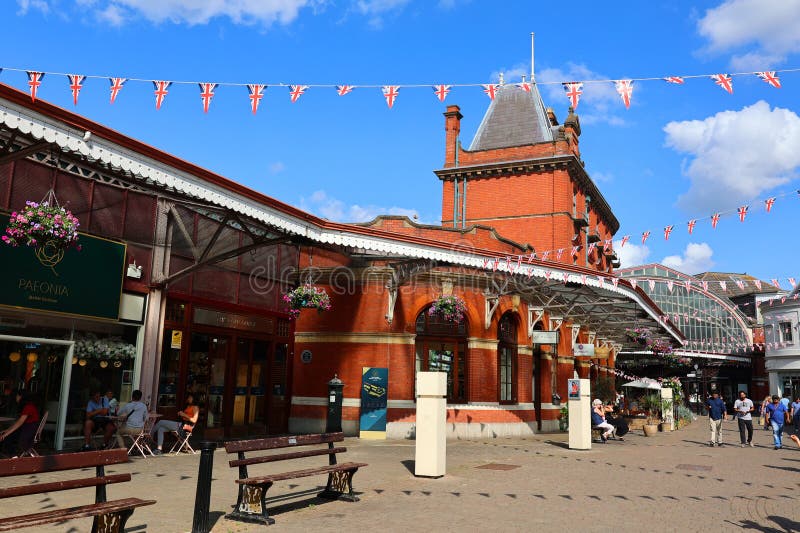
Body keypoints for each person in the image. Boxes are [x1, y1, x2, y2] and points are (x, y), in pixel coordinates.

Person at [0, 390, 40, 457]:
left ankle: (10, 456)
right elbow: (18, 423)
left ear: (21, 397)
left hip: (28, 431)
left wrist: (5, 434)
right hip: (29, 429)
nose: (16, 397)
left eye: (17, 396)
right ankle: (9, 455)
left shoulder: (28, 407)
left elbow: (19, 423)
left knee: (8, 437)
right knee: (7, 435)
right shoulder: (28, 406)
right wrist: (7, 430)